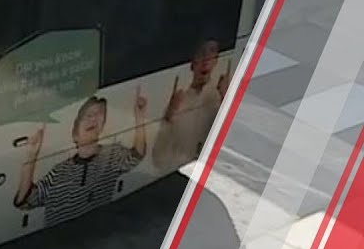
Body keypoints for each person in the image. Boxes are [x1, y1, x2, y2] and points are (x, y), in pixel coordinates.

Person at [14, 88, 149, 227]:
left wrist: (140, 117)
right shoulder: (59, 172)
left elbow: (136, 156)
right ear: (75, 133)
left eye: (99, 114)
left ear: (102, 126)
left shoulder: (112, 155)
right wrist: (31, 155)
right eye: (88, 115)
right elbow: (25, 201)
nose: (93, 119)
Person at [152, 39, 231, 172]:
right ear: (192, 62)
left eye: (212, 51)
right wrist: (168, 118)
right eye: (201, 52)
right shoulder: (178, 102)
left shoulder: (221, 98)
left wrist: (226, 100)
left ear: (216, 60)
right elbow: (158, 159)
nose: (206, 59)